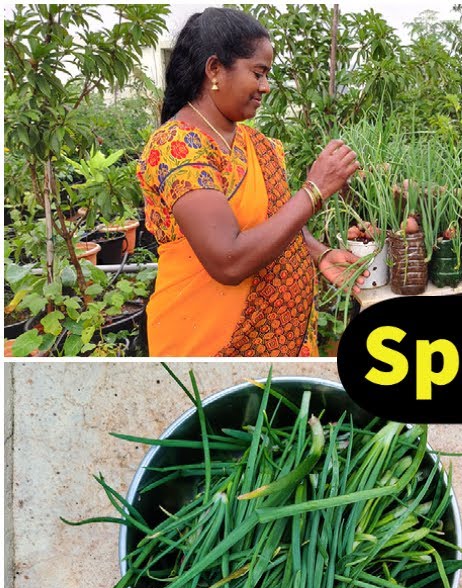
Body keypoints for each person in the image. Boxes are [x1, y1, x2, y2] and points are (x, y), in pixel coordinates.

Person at [138, 7, 366, 356]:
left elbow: (273, 222)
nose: (266, 86)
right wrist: (314, 190)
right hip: (208, 349)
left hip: (283, 345)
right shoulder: (177, 147)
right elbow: (228, 261)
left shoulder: (257, 146)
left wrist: (319, 254)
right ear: (214, 69)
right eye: (258, 73)